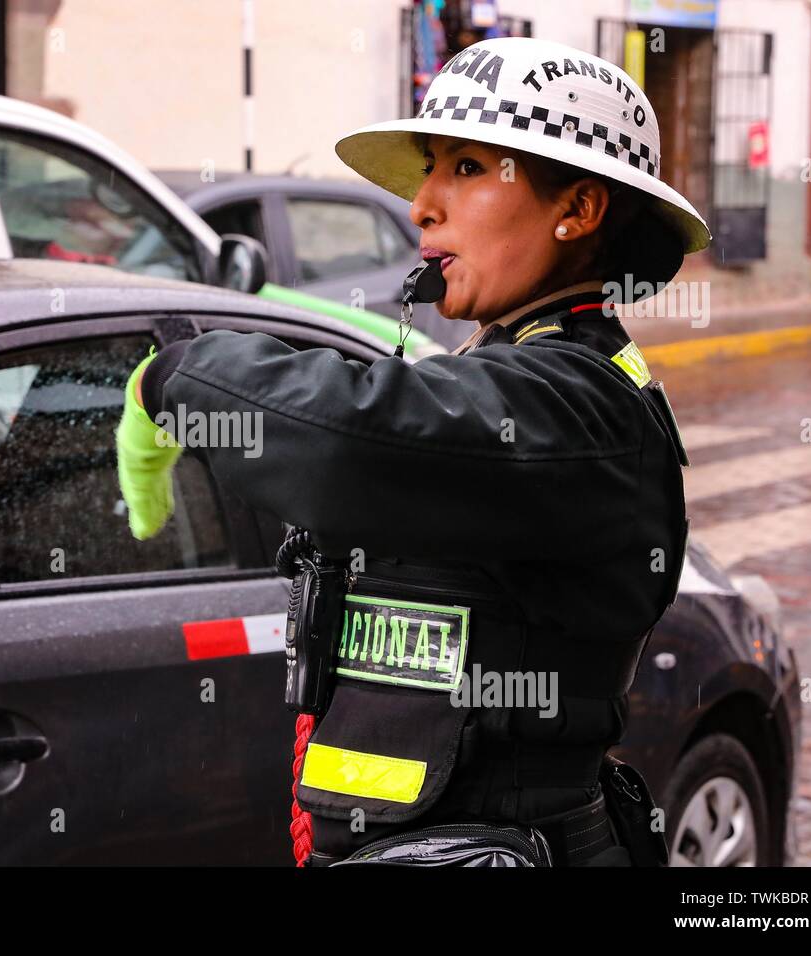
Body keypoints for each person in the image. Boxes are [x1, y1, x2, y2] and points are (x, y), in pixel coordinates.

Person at [115, 36, 707, 866]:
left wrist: (178, 376)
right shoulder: (513, 367)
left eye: (467, 168)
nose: (422, 203)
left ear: (577, 210)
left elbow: (359, 434)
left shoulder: (577, 403)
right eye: (431, 167)